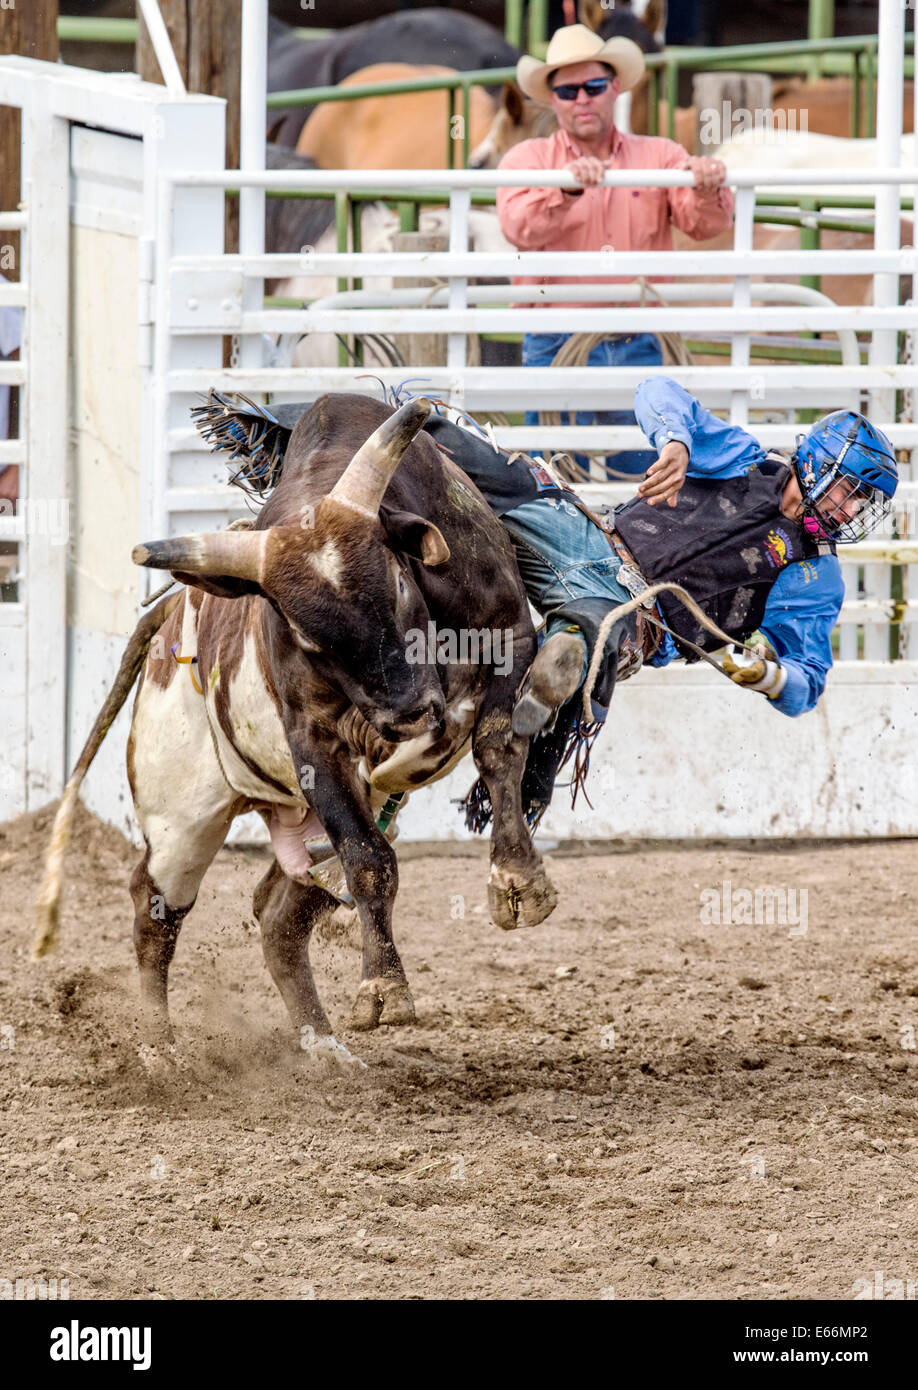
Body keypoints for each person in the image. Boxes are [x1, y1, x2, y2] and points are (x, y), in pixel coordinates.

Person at [495, 23, 734, 476]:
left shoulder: (662, 156)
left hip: (639, 335)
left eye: (593, 86)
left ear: (615, 88)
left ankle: (640, 545)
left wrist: (704, 184)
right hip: (555, 338)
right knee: (550, 484)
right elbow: (518, 226)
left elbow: (706, 224)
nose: (581, 98)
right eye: (567, 90)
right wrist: (564, 189)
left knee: (648, 479)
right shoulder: (528, 160)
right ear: (552, 99)